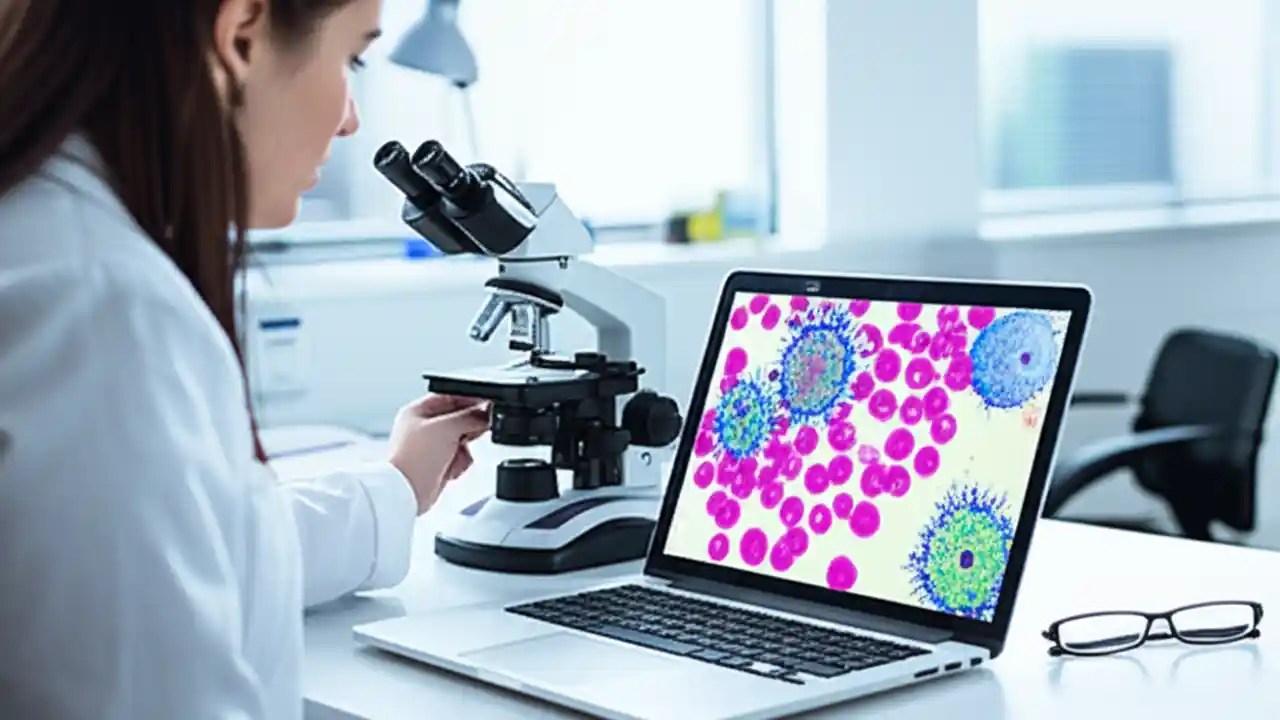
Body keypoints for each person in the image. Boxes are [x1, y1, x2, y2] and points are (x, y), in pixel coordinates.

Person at [0, 1, 489, 717]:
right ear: (240, 36)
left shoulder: (46, 237)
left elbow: (184, 548)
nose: (351, 119)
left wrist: (393, 492)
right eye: (350, 59)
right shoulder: (105, 315)